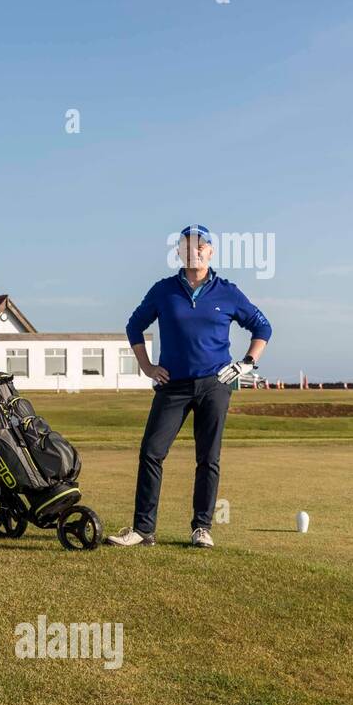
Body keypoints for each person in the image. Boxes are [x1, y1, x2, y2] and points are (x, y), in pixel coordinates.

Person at [106, 225, 272, 548]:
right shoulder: (163, 291)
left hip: (215, 384)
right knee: (152, 452)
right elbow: (134, 326)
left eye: (200, 246)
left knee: (207, 457)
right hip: (173, 385)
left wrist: (247, 362)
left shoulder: (227, 292)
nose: (193, 250)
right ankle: (143, 530)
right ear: (179, 252)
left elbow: (262, 326)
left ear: (210, 252)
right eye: (186, 245)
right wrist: (146, 366)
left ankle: (202, 528)